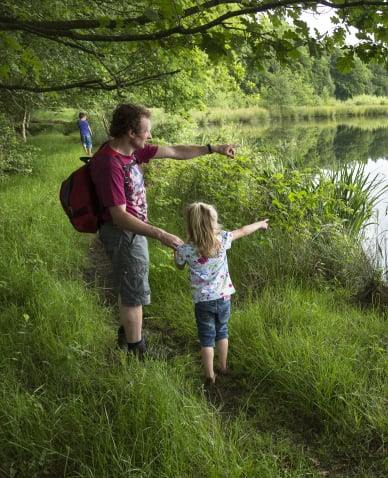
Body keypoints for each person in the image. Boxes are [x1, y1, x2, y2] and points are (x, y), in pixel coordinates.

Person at [91, 103, 240, 358]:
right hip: (124, 235)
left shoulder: (132, 153)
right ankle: (137, 350)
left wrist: (212, 149)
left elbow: (174, 151)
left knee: (132, 287)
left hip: (133, 234)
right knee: (134, 292)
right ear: (130, 132)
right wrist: (159, 233)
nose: (149, 136)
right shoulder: (110, 164)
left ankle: (128, 335)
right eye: (146, 131)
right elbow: (119, 216)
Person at [173, 202, 269, 384]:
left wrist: (176, 252)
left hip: (203, 301)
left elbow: (179, 266)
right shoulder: (223, 240)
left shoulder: (185, 249)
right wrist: (260, 224)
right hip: (224, 297)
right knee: (222, 332)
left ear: (190, 225)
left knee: (206, 337)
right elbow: (243, 230)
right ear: (213, 223)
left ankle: (209, 374)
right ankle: (223, 366)